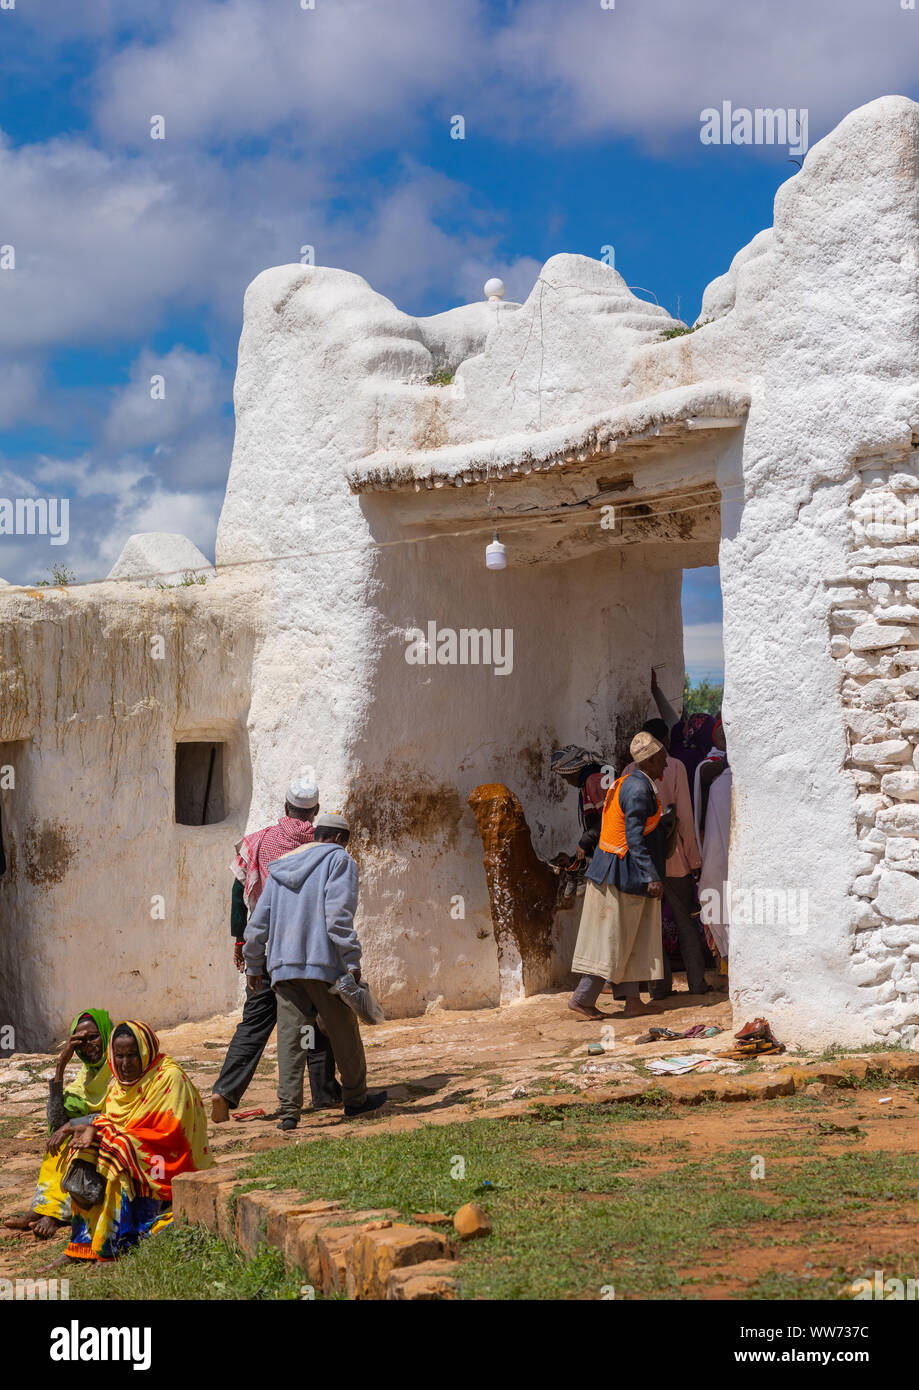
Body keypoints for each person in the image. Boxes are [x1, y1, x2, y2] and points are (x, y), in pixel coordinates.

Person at [244, 811, 388, 1130]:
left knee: (291, 1038)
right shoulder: (339, 861)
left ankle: (288, 1113)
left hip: (283, 967)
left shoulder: (281, 867)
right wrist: (351, 961)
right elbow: (337, 918)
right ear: (338, 839)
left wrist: (254, 964)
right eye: (345, 843)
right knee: (343, 1033)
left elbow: (257, 924)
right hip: (323, 966)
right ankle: (355, 1100)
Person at [211, 771, 340, 1122]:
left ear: (285, 807)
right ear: (314, 812)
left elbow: (239, 890)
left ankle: (224, 1092)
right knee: (313, 1020)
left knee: (254, 1022)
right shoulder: (322, 846)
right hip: (310, 948)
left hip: (268, 947)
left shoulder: (260, 841)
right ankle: (325, 1092)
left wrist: (241, 939)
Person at [63, 1020, 213, 1263]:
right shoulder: (118, 1085)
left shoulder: (169, 1078)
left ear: (145, 1051)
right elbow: (113, 1122)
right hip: (139, 1159)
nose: (125, 1064)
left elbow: (171, 1134)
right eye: (119, 1056)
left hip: (168, 1164)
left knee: (118, 1150)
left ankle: (112, 1244)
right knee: (86, 1149)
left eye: (132, 1055)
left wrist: (104, 1132)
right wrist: (94, 1129)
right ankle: (82, 1242)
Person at [568, 732, 669, 1019]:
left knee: (627, 937)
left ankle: (632, 1000)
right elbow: (634, 838)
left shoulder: (632, 783)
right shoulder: (637, 789)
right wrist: (651, 875)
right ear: (649, 761)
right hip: (619, 874)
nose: (666, 765)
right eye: (662, 759)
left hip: (618, 872)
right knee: (610, 941)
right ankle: (582, 998)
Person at [3, 1009, 113, 1239]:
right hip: (92, 1132)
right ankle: (41, 1208)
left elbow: (118, 1115)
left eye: (94, 1037)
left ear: (107, 1034)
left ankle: (55, 1215)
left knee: (74, 1141)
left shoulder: (119, 1068)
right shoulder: (86, 1076)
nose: (88, 1045)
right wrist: (61, 1064)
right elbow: (55, 1121)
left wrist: (74, 1125)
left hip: (114, 1137)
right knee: (58, 1138)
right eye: (80, 1041)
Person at [623, 719, 712, 999]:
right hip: (674, 859)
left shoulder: (627, 772)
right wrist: (695, 862)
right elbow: (684, 817)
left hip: (644, 865)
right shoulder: (675, 766)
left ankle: (659, 989)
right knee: (687, 924)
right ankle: (697, 984)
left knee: (651, 928)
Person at [550, 745, 609, 864]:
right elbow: (594, 826)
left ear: (573, 771)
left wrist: (585, 841)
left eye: (566, 778)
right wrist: (573, 859)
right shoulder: (587, 783)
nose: (568, 782)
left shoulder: (594, 780)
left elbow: (609, 818)